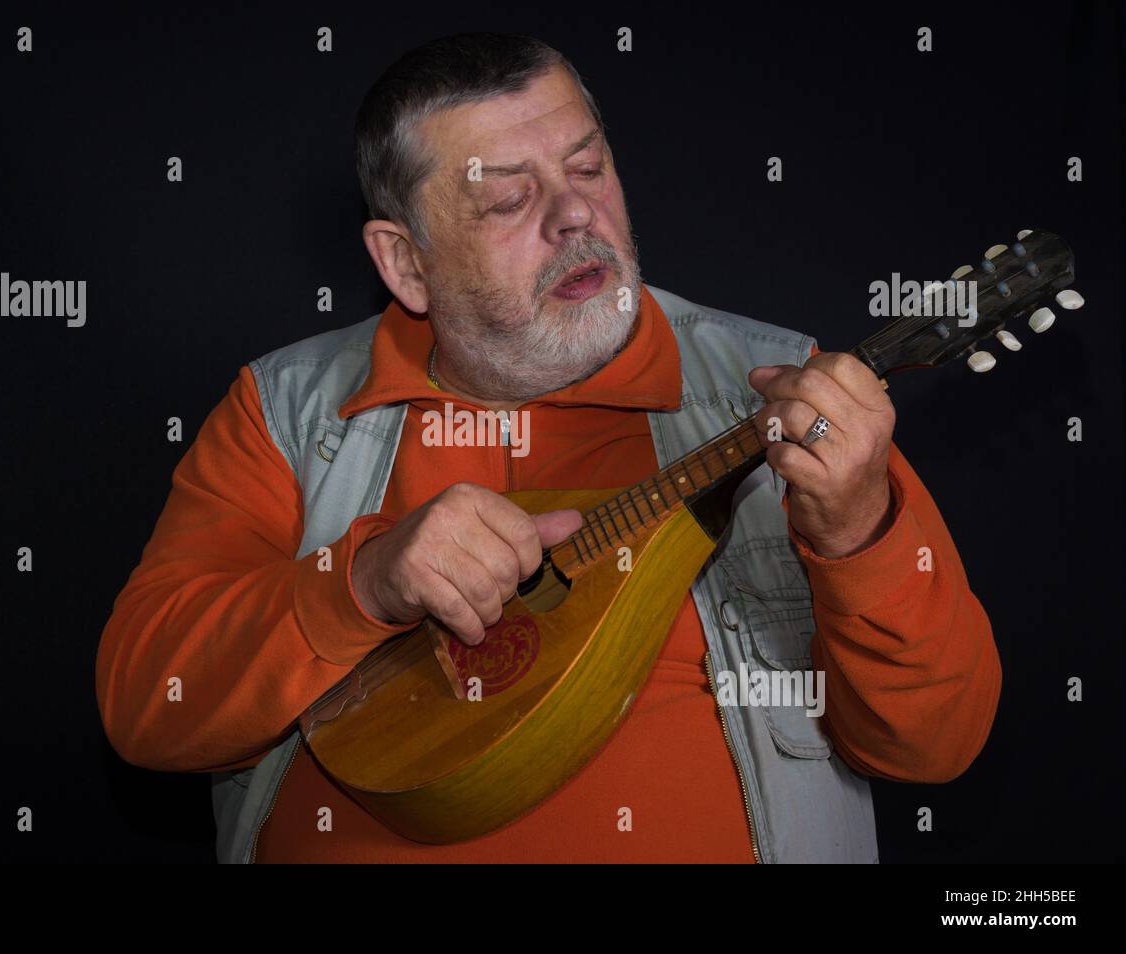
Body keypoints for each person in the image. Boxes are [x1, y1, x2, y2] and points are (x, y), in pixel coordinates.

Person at [95, 32, 1000, 863]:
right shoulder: (285, 411)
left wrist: (858, 530)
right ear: (405, 263)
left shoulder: (782, 390)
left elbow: (933, 746)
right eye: (508, 198)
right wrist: (362, 583)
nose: (576, 216)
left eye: (588, 167)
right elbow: (146, 709)